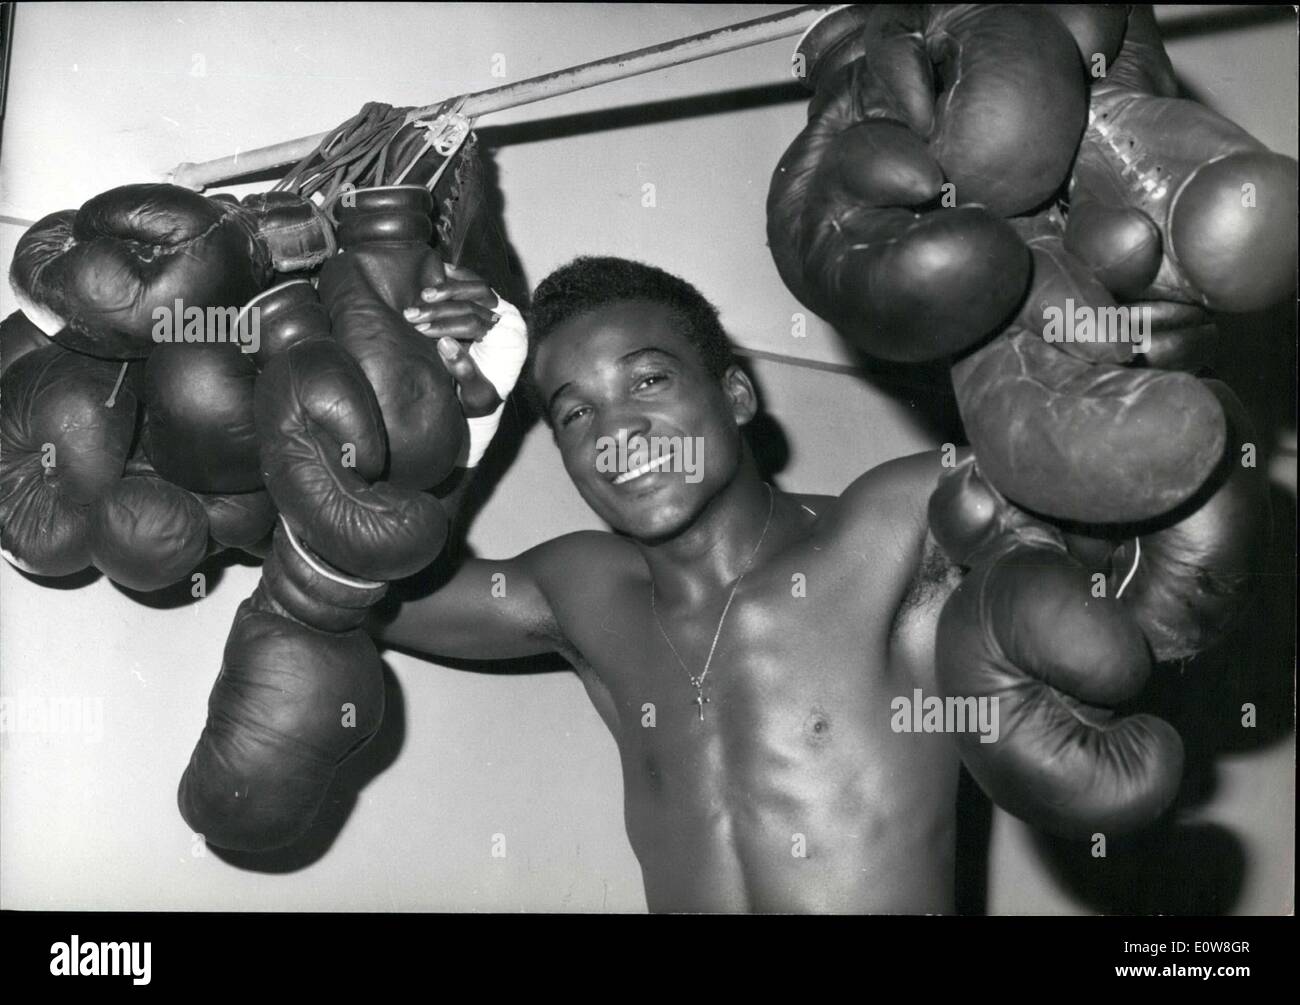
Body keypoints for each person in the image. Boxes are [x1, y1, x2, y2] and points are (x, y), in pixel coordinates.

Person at [376, 255, 966, 913]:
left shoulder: (894, 529)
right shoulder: (590, 596)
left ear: (736, 395)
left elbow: (1070, 460)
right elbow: (369, 583)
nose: (617, 432)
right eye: (575, 414)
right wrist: (465, 412)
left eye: (649, 379)